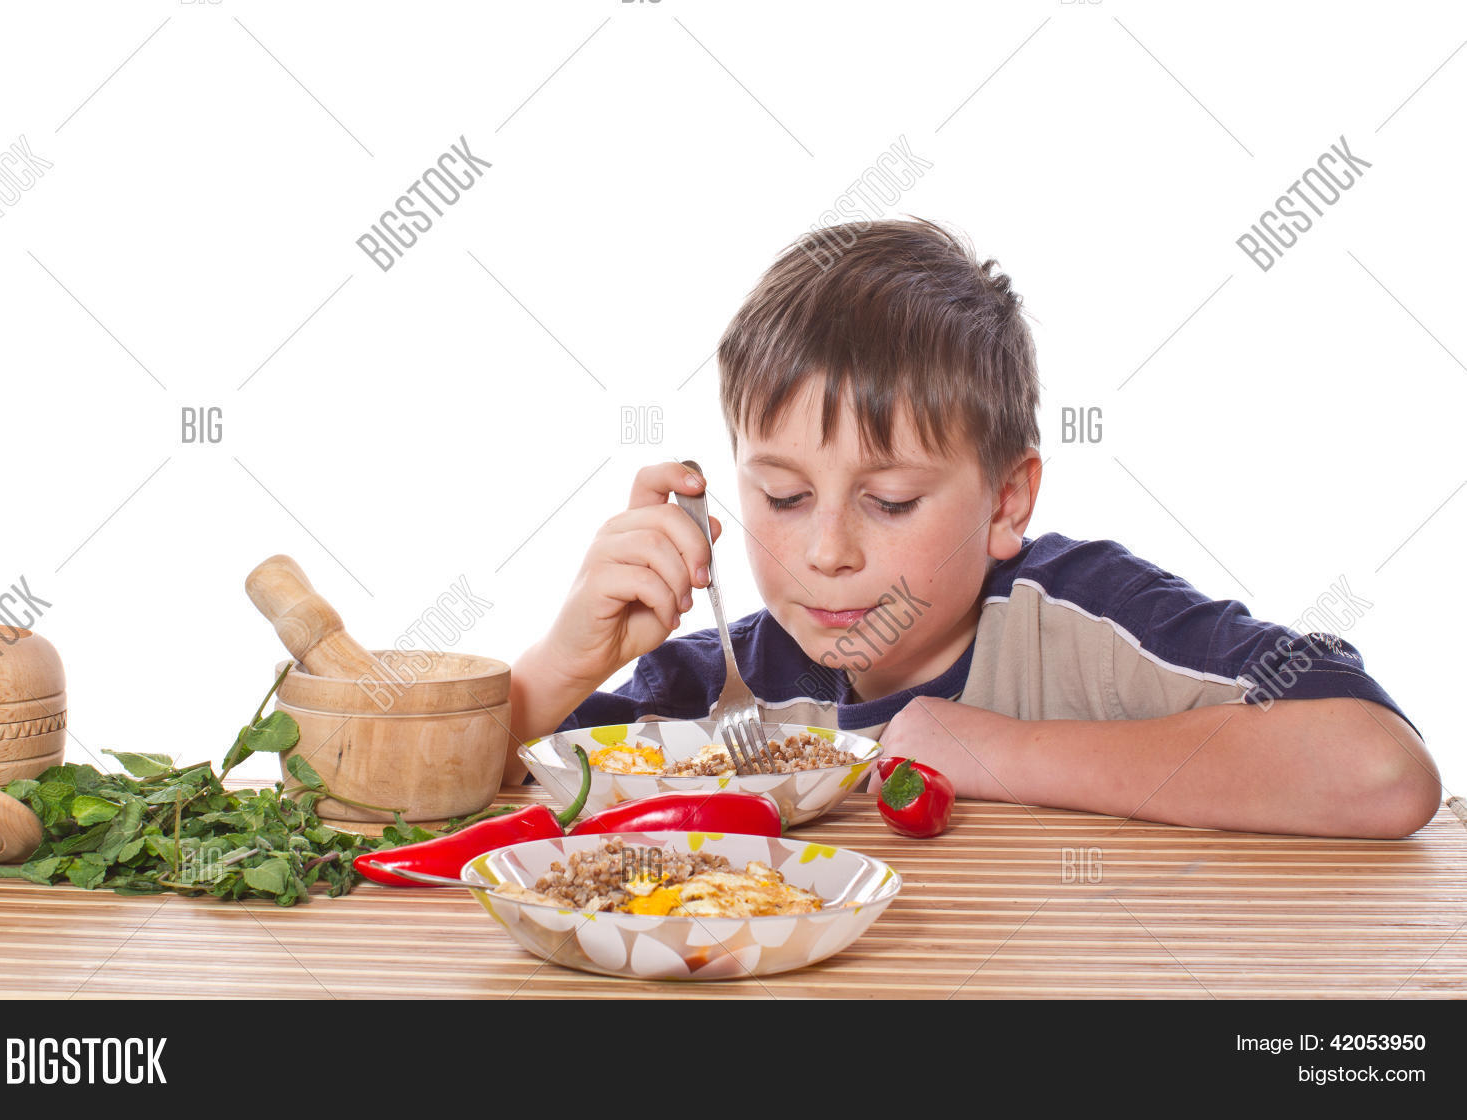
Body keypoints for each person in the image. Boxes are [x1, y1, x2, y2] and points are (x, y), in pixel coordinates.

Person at [505, 216, 1440, 839]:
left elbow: (1380, 770)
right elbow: (454, 811)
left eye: (893, 501)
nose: (826, 553)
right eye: (784, 498)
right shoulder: (712, 689)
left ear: (1006, 503)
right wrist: (558, 669)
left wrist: (996, 748)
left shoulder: (1086, 617)